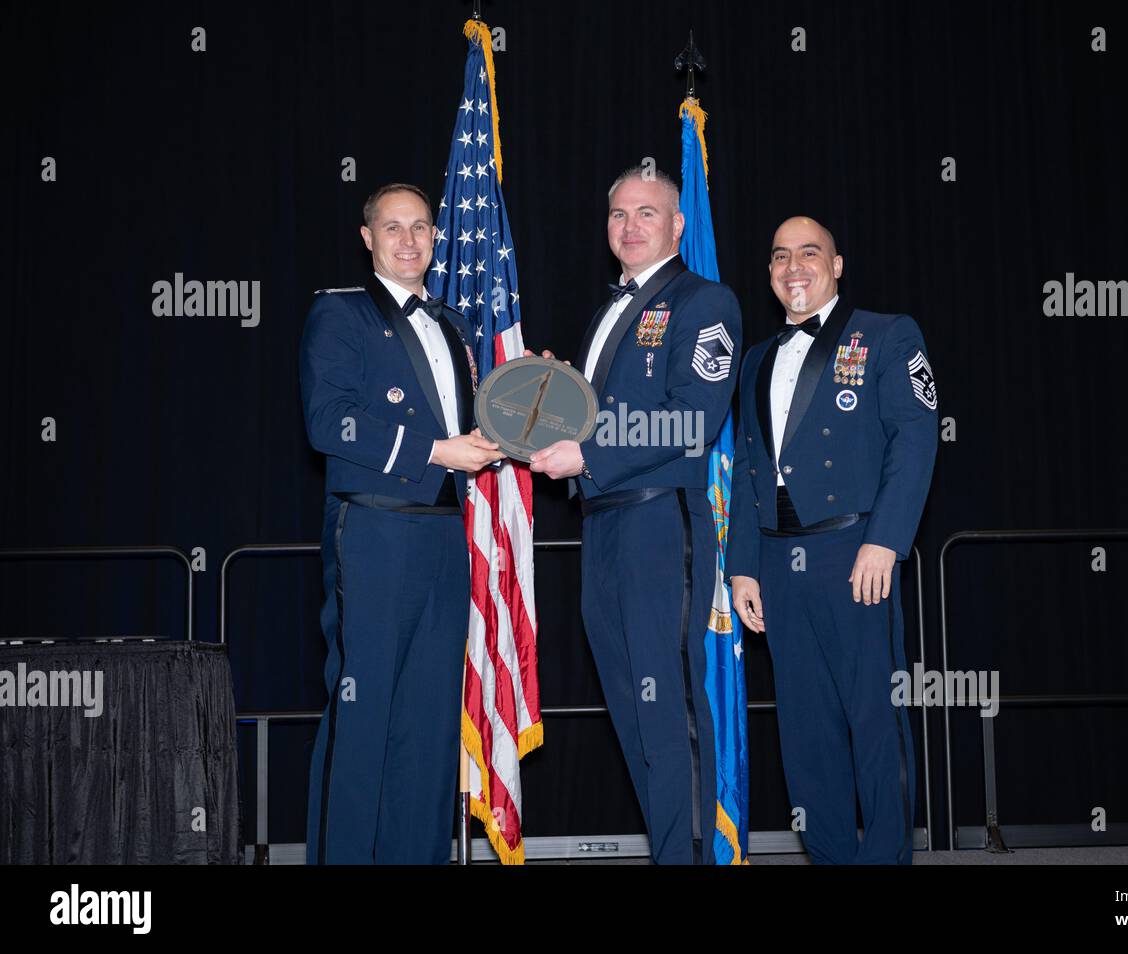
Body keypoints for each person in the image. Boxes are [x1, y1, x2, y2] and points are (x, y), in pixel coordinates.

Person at [529, 168, 742, 863]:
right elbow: (597, 416)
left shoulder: (704, 302)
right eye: (618, 214)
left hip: (660, 523)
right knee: (631, 707)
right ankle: (669, 852)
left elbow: (690, 421)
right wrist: (550, 392)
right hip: (604, 526)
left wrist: (588, 456)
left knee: (669, 708)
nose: (629, 226)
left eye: (647, 213)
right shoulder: (606, 313)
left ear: (678, 226)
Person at [299, 182, 503, 864]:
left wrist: (536, 401)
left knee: (430, 725)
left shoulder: (452, 325)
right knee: (364, 714)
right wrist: (435, 451)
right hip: (375, 534)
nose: (410, 240)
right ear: (368, 238)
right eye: (394, 228)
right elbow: (329, 423)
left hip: (446, 537)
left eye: (421, 227)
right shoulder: (341, 316)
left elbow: (476, 430)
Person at [726, 216, 938, 864]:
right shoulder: (756, 358)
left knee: (876, 724)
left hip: (855, 557)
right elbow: (747, 470)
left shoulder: (886, 334)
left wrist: (887, 541)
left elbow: (916, 436)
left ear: (836, 265)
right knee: (806, 733)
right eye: (781, 256)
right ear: (769, 273)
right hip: (778, 564)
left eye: (809, 253)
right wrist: (741, 566)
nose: (795, 267)